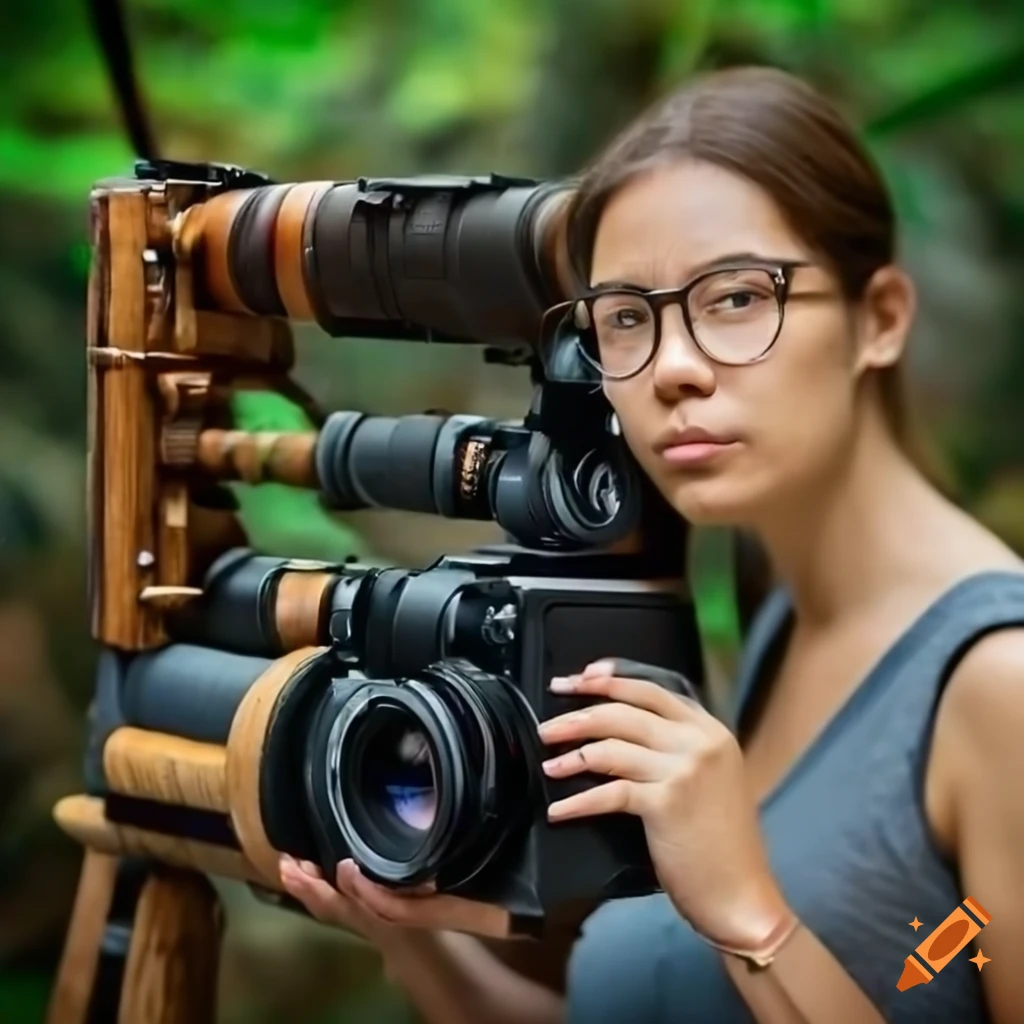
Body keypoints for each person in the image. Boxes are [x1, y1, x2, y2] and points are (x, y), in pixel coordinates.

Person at [278, 65, 1024, 1024]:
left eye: (737, 298)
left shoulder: (997, 682)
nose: (672, 368)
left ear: (879, 320)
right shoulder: (783, 614)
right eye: (625, 318)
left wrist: (753, 920)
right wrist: (414, 944)